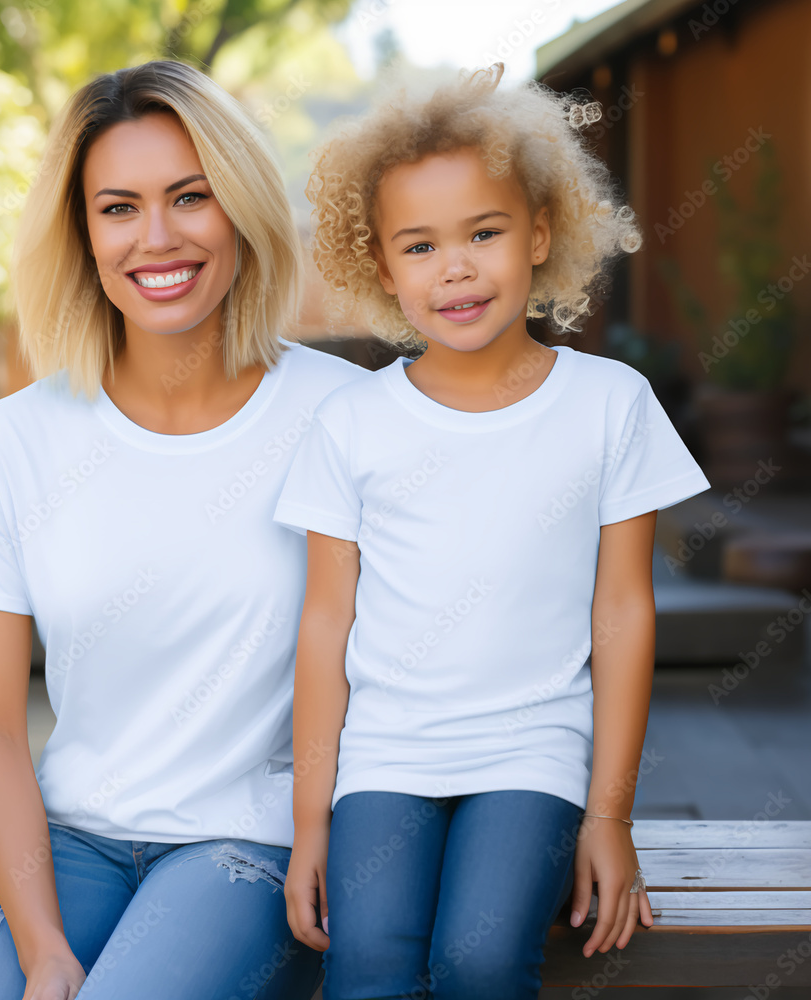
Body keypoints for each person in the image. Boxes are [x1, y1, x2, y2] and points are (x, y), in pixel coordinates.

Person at [0, 59, 365, 1000]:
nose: (156, 238)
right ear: (81, 234)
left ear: (240, 206)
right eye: (117, 207)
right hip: (70, 838)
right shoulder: (11, 444)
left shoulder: (348, 417)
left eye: (190, 197)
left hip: (248, 841)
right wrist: (40, 952)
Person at [272, 62, 712, 1000]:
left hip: (533, 750)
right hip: (386, 754)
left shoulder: (609, 404)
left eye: (484, 231)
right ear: (382, 266)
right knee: (368, 964)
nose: (457, 267)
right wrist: (311, 821)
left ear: (541, 231)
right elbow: (323, 627)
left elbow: (626, 612)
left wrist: (610, 818)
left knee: (477, 959)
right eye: (420, 246)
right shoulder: (352, 424)